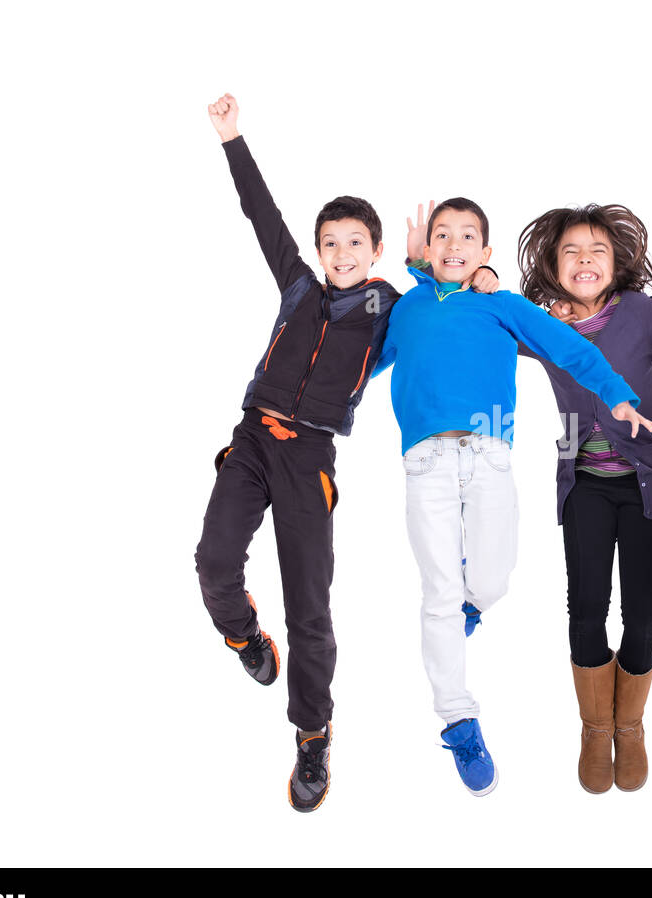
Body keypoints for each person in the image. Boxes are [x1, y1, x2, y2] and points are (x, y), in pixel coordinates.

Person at [194, 95, 496, 813]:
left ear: (376, 251)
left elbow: (440, 304)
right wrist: (233, 138)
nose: (341, 253)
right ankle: (242, 635)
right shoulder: (298, 285)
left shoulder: (389, 305)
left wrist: (476, 277)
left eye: (355, 243)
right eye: (331, 242)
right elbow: (259, 213)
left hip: (312, 462)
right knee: (212, 558)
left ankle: (313, 734)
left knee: (311, 608)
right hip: (253, 440)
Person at [371, 197, 652, 796]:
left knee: (494, 579)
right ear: (425, 249)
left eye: (466, 235)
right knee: (438, 595)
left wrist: (618, 394)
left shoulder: (501, 305)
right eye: (441, 234)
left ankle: (472, 608)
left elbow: (573, 349)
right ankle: (458, 717)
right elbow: (358, 366)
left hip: (488, 455)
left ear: (485, 253)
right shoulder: (404, 310)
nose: (453, 243)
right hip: (425, 462)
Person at [516, 204, 652, 794]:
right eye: (571, 252)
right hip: (582, 485)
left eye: (597, 250)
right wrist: (478, 282)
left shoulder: (640, 313)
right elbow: (486, 322)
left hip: (646, 482)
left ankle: (631, 725)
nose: (585, 260)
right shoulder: (546, 325)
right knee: (587, 608)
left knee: (642, 614)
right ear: (553, 266)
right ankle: (596, 728)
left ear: (618, 262)